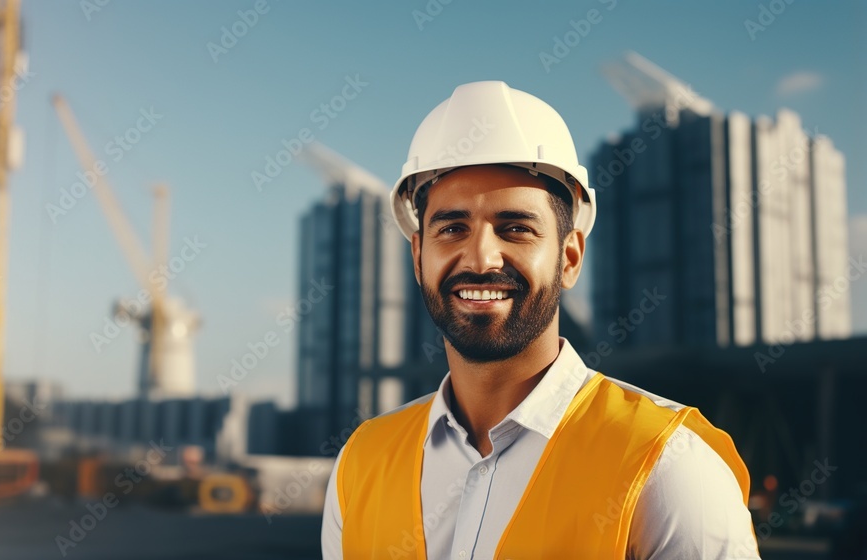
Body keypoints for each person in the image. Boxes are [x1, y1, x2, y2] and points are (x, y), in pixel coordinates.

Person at [321, 81, 760, 559]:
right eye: (452, 228)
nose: (482, 258)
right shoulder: (360, 462)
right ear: (419, 255)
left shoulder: (669, 465)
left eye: (515, 228)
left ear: (569, 258)